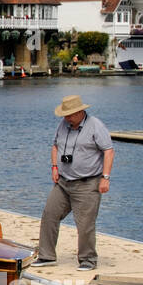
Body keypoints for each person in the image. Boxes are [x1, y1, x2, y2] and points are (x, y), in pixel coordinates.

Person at [32, 94, 114, 270]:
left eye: (70, 114)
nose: (67, 118)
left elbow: (108, 151)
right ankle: (47, 256)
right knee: (49, 215)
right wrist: (54, 167)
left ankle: (88, 259)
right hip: (63, 182)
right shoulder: (63, 125)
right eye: (65, 115)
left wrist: (105, 178)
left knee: (85, 223)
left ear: (81, 112)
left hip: (87, 183)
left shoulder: (95, 126)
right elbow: (55, 146)